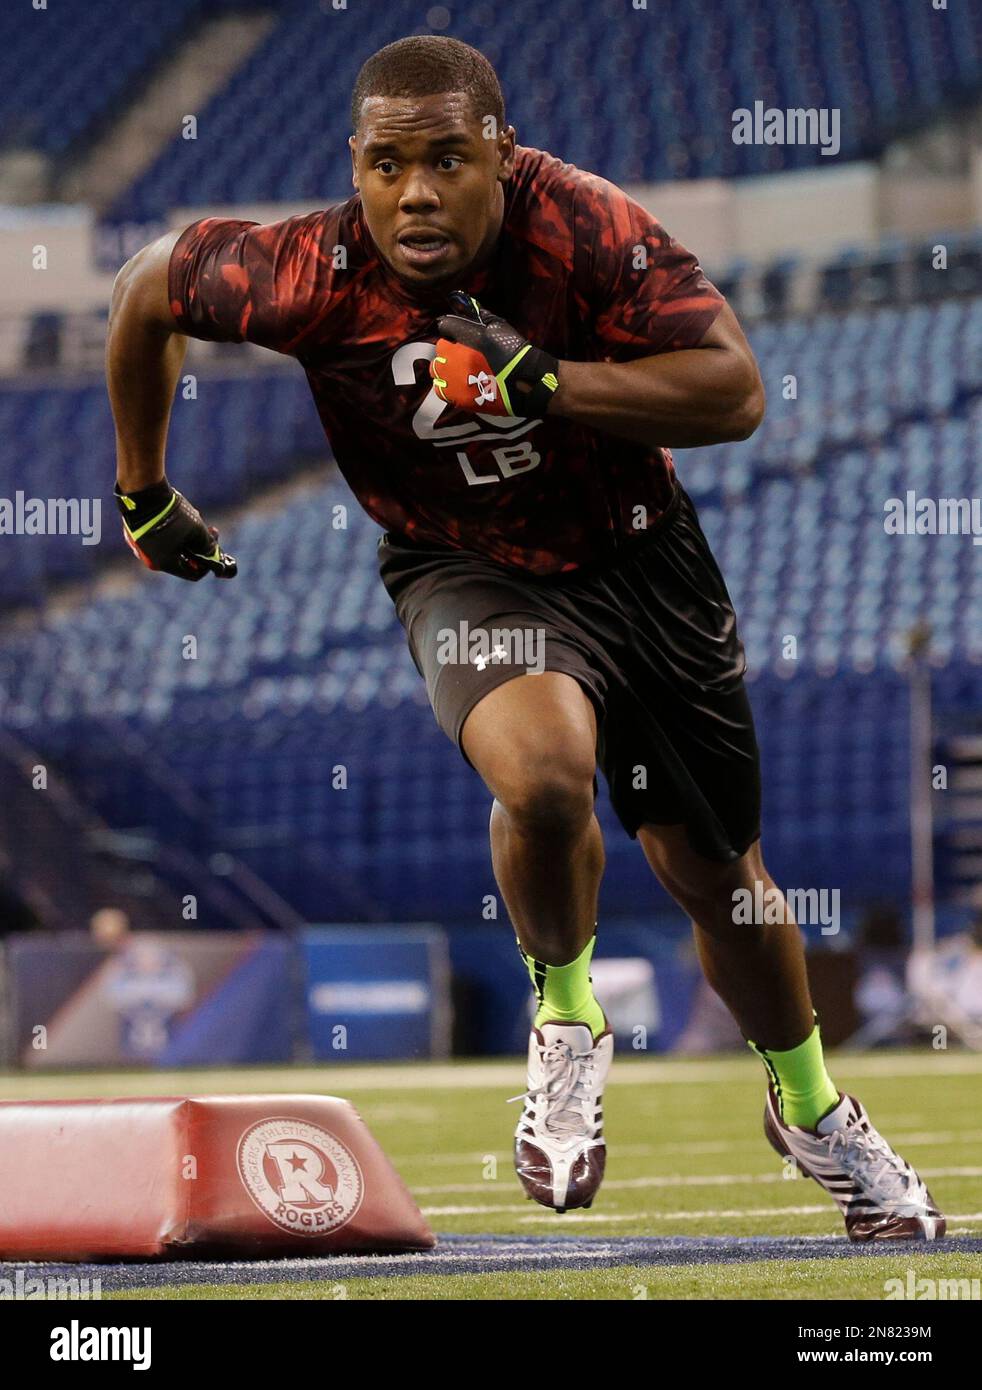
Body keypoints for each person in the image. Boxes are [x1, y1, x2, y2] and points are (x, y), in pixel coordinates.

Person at [106, 34, 944, 1239]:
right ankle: (566, 1017)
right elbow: (146, 286)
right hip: (464, 568)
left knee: (723, 884)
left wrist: (544, 382)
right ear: (356, 164)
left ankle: (809, 1108)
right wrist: (143, 491)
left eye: (448, 158)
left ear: (502, 152)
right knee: (544, 778)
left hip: (640, 558)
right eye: (388, 164)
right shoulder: (308, 270)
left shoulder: (587, 228)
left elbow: (733, 389)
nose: (417, 193)